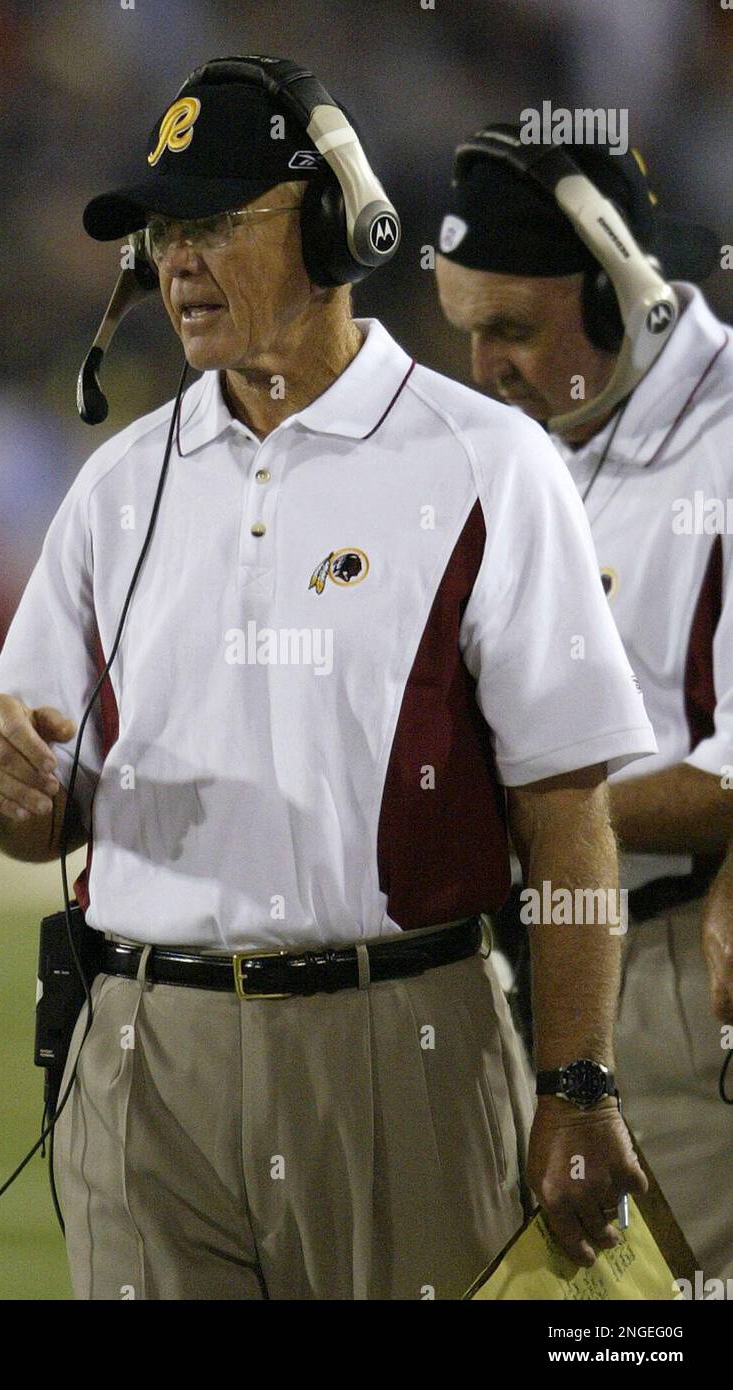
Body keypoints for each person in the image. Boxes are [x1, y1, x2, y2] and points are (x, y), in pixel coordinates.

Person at [0, 62, 656, 1300]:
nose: (177, 260)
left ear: (342, 225)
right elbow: (39, 800)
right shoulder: (117, 487)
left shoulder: (488, 464)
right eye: (164, 232)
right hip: (139, 1050)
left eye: (217, 221)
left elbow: (566, 813)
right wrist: (1, 785)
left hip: (399, 1048)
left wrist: (578, 1084)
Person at [435, 124, 733, 1278]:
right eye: (465, 328)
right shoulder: (551, 442)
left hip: (668, 978)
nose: (484, 367)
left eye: (510, 327)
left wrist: (527, 824)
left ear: (623, 295)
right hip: (542, 980)